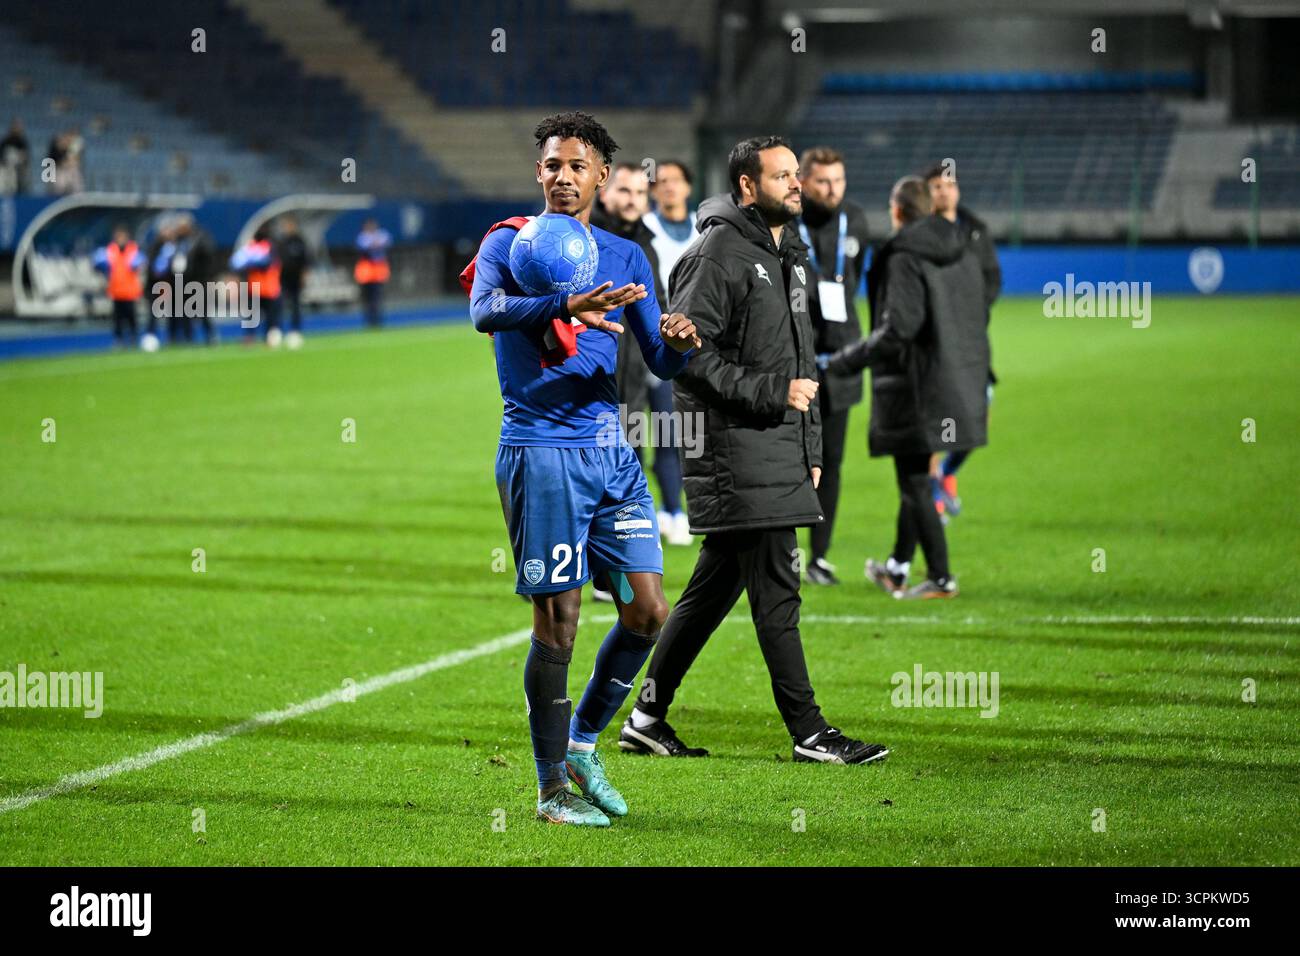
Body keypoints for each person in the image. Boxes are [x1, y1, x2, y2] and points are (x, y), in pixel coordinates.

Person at [463, 111, 700, 827]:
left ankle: (583, 743)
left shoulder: (627, 255)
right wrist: (567, 301)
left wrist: (680, 340)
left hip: (610, 448)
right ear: (539, 172)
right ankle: (548, 792)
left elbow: (658, 359)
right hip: (540, 449)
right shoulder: (509, 241)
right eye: (552, 165)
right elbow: (485, 311)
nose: (563, 177)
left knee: (649, 609)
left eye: (577, 166)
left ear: (603, 175)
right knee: (559, 622)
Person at [621, 135, 888, 766]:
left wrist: (810, 442)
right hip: (733, 451)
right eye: (783, 176)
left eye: (798, 174)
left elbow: (802, 365)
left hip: (775, 447)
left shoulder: (790, 253)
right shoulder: (716, 254)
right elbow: (686, 361)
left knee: (711, 592)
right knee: (777, 589)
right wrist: (773, 396)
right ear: (747, 186)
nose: (796, 184)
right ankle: (810, 731)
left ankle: (645, 716)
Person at [825, 176, 989, 599]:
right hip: (958, 377)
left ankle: (940, 577)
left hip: (917, 385)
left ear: (897, 211)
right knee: (917, 476)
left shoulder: (903, 257)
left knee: (914, 480)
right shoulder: (964, 250)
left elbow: (898, 329)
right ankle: (898, 568)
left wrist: (844, 361)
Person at [592, 163, 691, 548]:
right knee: (598, 475)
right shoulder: (588, 241)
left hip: (634, 378)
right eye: (624, 191)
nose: (632, 200)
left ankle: (615, 567)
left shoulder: (643, 245)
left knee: (630, 464)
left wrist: (674, 338)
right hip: (595, 381)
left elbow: (656, 305)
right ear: (604, 193)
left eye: (638, 193)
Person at [797, 146, 870, 586]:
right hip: (795, 360)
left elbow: (857, 277)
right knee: (789, 460)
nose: (832, 190)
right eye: (823, 181)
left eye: (839, 181)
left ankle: (820, 557)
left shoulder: (856, 220)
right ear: (803, 181)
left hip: (841, 359)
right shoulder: (787, 220)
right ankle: (784, 554)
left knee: (833, 461)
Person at [923, 162, 1001, 520]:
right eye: (936, 187)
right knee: (936, 424)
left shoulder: (975, 230)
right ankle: (933, 496)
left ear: (958, 190)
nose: (944, 192)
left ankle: (947, 473)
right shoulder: (921, 232)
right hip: (936, 344)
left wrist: (972, 311)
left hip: (970, 342)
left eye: (948, 185)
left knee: (975, 420)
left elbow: (991, 278)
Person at [641, 159, 696, 543]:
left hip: (690, 345)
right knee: (644, 428)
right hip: (647, 340)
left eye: (677, 181)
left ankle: (679, 508)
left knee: (684, 434)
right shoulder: (644, 230)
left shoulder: (703, 229)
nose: (670, 187)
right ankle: (663, 509)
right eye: (662, 182)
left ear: (688, 188)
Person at [230, 226, 282, 345]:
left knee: (268, 317)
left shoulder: (266, 247)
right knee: (253, 316)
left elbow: (265, 263)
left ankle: (267, 338)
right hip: (260, 289)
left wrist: (249, 262)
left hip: (268, 289)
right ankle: (251, 338)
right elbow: (235, 263)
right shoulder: (256, 247)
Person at [93, 225, 144, 347]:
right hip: (116, 290)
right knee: (117, 319)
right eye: (118, 237)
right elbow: (101, 266)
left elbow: (139, 264)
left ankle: (133, 338)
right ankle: (119, 340)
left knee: (131, 317)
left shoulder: (133, 249)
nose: (120, 239)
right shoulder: (110, 250)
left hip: (130, 290)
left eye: (122, 237)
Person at [278, 216, 311, 349]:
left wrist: (304, 275)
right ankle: (278, 330)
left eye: (289, 225)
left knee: (296, 305)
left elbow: (306, 260)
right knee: (281, 305)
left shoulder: (300, 241)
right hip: (283, 278)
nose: (287, 228)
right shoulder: (281, 241)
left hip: (296, 278)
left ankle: (296, 330)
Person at [354, 218, 391, 328]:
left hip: (378, 272)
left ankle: (377, 320)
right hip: (365, 272)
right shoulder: (362, 237)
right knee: (367, 298)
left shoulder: (381, 234)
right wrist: (374, 243)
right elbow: (365, 246)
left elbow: (386, 240)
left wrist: (375, 243)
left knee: (377, 297)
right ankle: (368, 320)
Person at [0, 118, 30, 196]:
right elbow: (2, 156)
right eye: (16, 126)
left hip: (18, 168)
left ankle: (17, 194)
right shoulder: (6, 140)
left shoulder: (22, 141)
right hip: (5, 167)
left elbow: (25, 157)